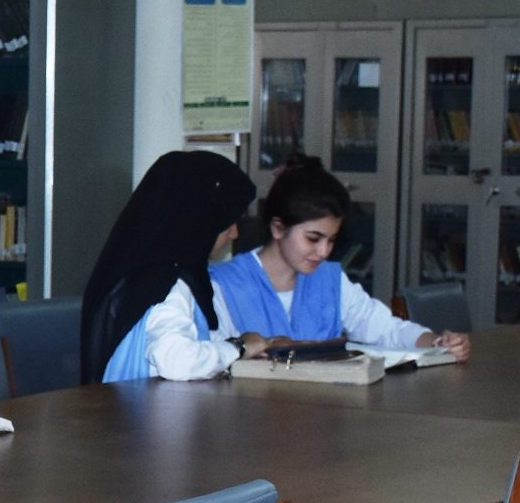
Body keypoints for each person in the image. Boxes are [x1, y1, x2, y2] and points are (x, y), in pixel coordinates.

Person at [208, 154, 472, 359]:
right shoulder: (222, 284)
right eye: (313, 239)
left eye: (331, 240)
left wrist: (437, 342)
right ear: (278, 228)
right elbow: (214, 357)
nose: (324, 252)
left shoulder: (330, 279)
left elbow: (386, 329)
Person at [79, 150, 265, 382]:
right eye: (227, 222)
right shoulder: (164, 283)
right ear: (199, 218)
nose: (234, 233)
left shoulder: (159, 271)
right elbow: (176, 362)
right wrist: (240, 347)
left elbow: (211, 341)